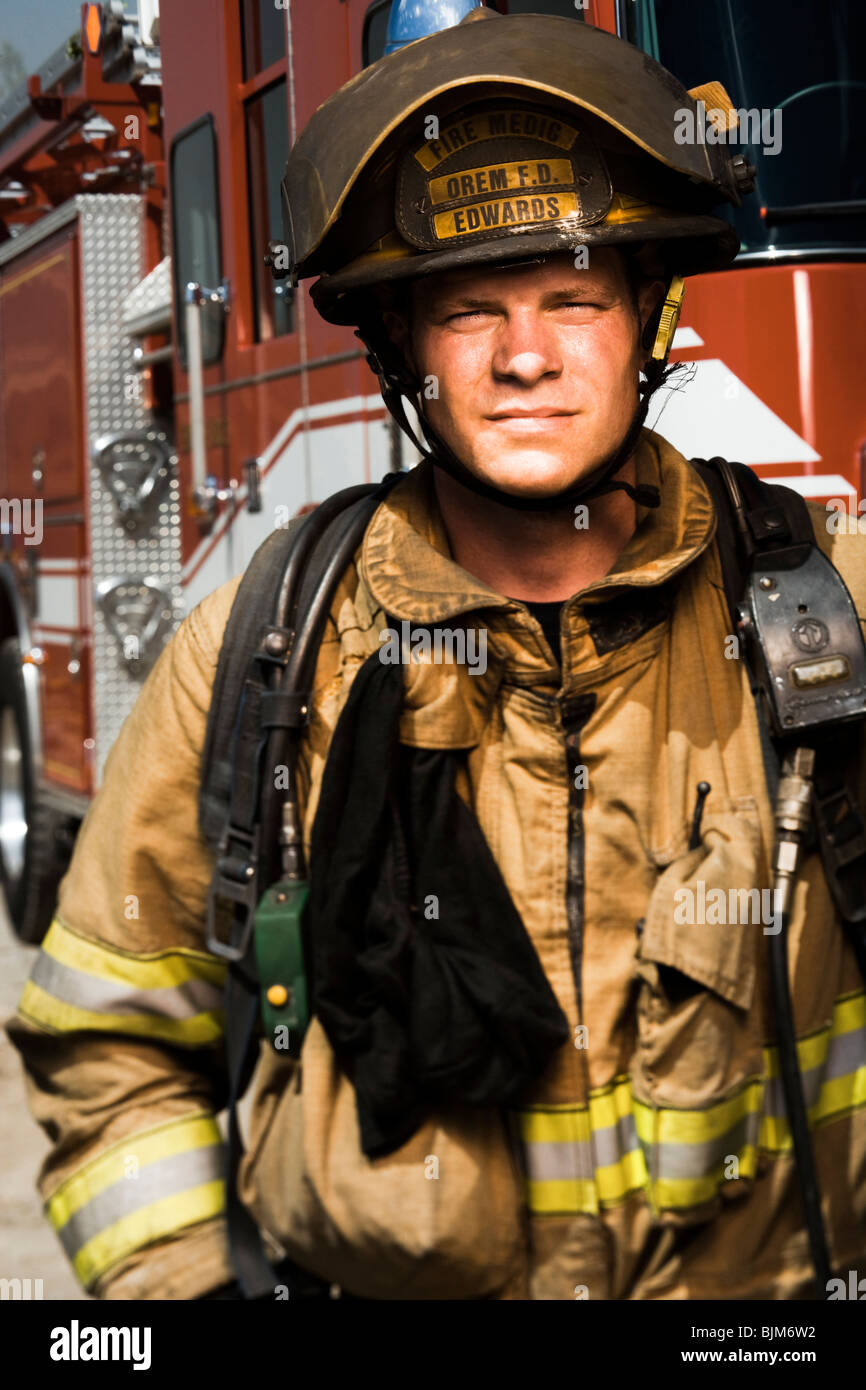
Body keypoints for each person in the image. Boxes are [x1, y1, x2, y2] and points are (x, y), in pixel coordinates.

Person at [7, 9, 866, 1301]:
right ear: (403, 344)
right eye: (473, 310)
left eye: (572, 298)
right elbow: (107, 1043)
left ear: (647, 315)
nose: (525, 355)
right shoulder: (261, 655)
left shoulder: (829, 618)